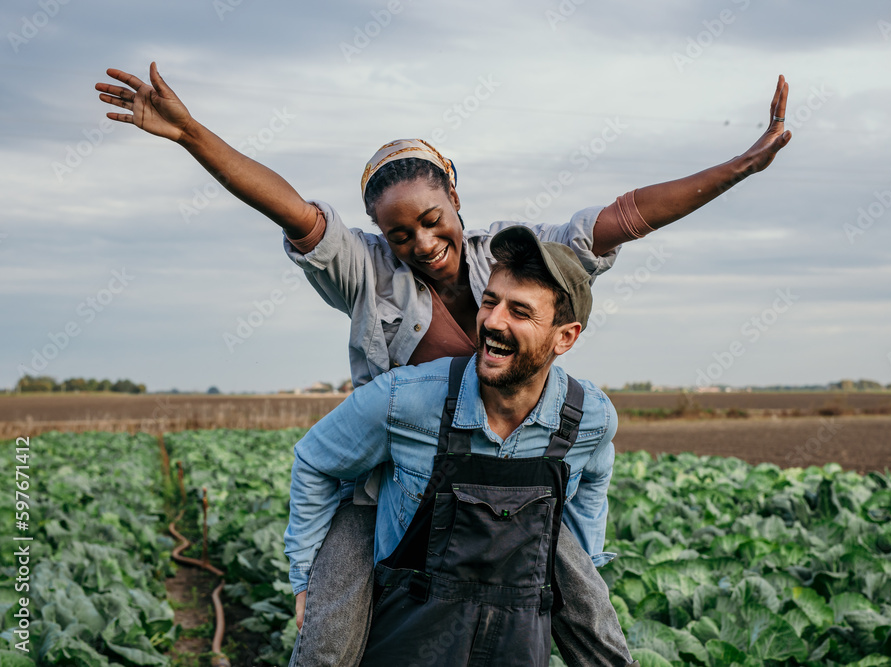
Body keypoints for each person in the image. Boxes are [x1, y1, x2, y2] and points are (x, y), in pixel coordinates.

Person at [95, 64, 792, 665]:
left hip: (511, 481)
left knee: (594, 625)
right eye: (400, 233)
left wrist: (742, 165)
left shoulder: (519, 257)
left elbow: (620, 217)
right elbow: (289, 209)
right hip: (388, 483)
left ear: (455, 198)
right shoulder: (364, 273)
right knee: (329, 644)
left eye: (432, 219)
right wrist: (192, 135)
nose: (423, 242)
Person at [286, 226, 625, 666]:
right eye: (490, 302)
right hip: (408, 623)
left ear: (565, 337)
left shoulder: (589, 418)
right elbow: (316, 460)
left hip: (514, 631)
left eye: (519, 311)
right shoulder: (405, 399)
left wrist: (578, 567)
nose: (493, 321)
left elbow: (593, 480)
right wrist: (304, 581)